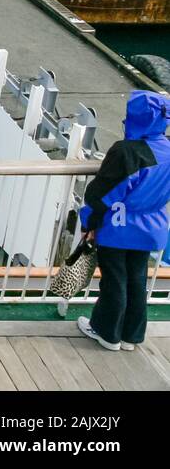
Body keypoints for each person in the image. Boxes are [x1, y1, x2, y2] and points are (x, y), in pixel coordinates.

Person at [77, 91, 170, 352]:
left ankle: (107, 333)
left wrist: (89, 222)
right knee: (137, 280)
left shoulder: (127, 152)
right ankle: (132, 336)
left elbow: (102, 194)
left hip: (118, 226)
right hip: (152, 226)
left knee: (114, 281)